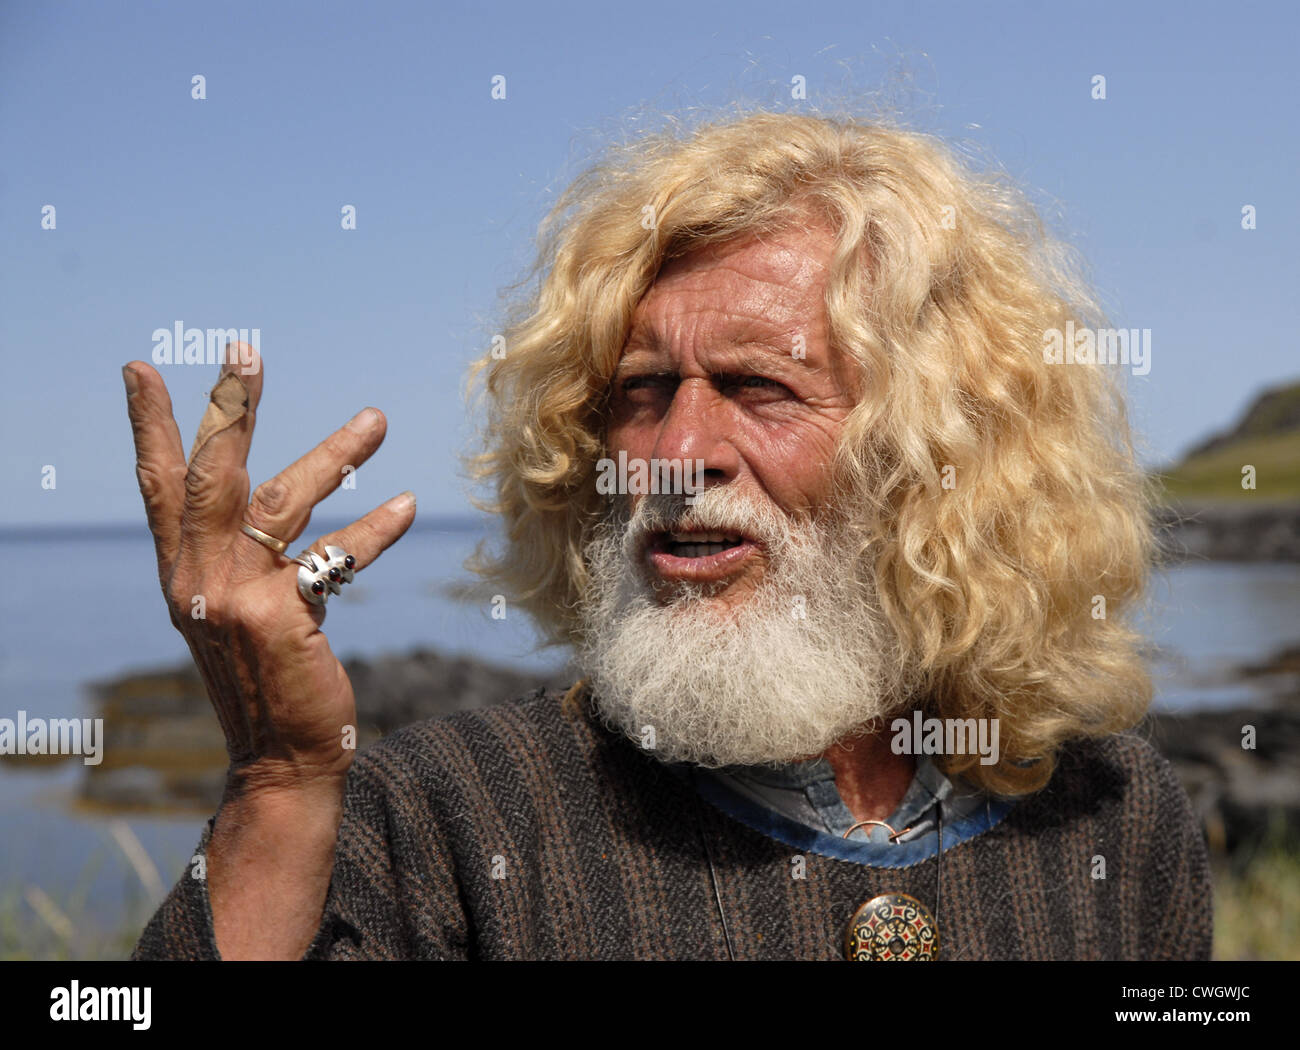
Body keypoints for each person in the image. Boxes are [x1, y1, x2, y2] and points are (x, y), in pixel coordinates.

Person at [127, 111, 1211, 961]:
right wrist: (277, 780)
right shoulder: (443, 814)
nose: (674, 447)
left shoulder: (1108, 811)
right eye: (640, 391)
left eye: (758, 387)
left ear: (946, 452)